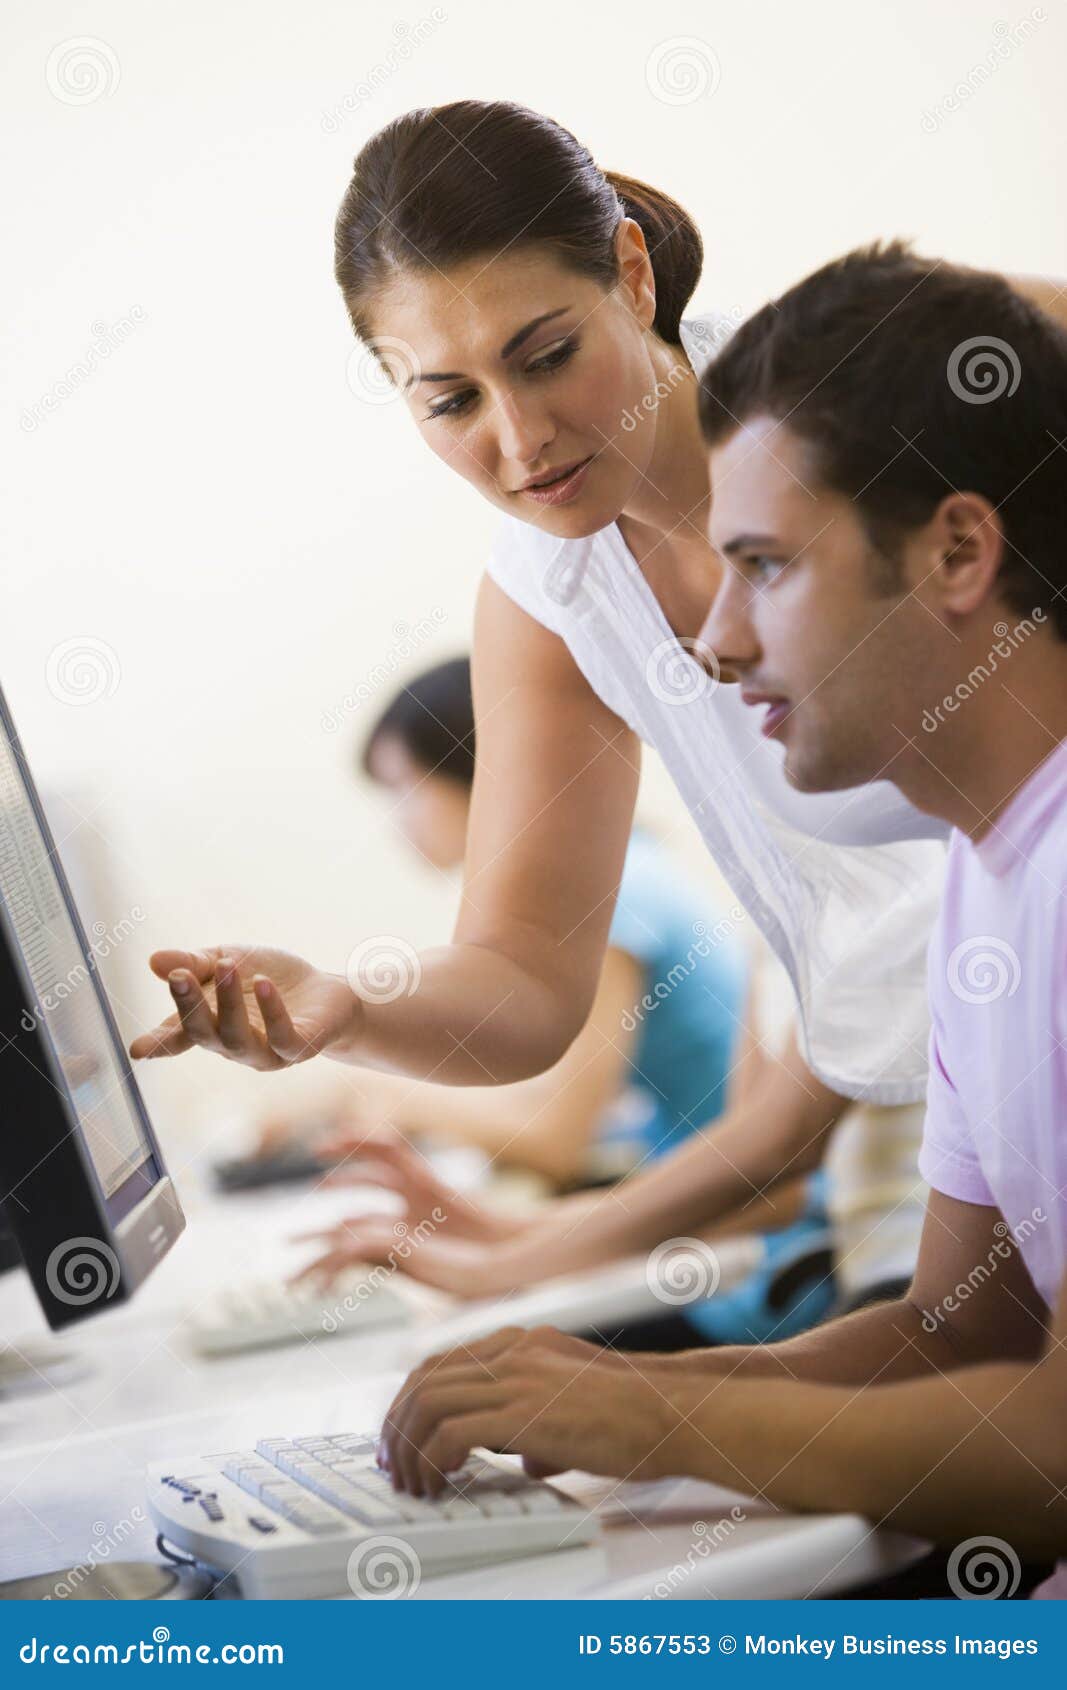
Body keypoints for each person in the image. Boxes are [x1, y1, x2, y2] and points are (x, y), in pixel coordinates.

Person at [131, 102, 972, 1323]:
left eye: (542, 355)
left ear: (631, 273)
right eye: (449, 400)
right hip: (917, 1136)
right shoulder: (547, 590)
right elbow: (523, 984)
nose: (520, 441)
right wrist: (347, 1006)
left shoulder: (850, 416)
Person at [374, 245, 1067, 1598]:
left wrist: (651, 1413)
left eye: (761, 567)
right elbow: (951, 1333)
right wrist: (595, 1397)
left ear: (958, 550)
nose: (713, 641)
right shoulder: (983, 883)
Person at [285, 655, 841, 1346]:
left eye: (404, 789)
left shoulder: (620, 901)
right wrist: (491, 1232)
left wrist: (386, 1101)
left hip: (754, 1273)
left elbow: (553, 1137)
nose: (398, 823)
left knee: (442, 1361)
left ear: (477, 770)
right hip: (713, 1225)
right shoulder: (640, 877)